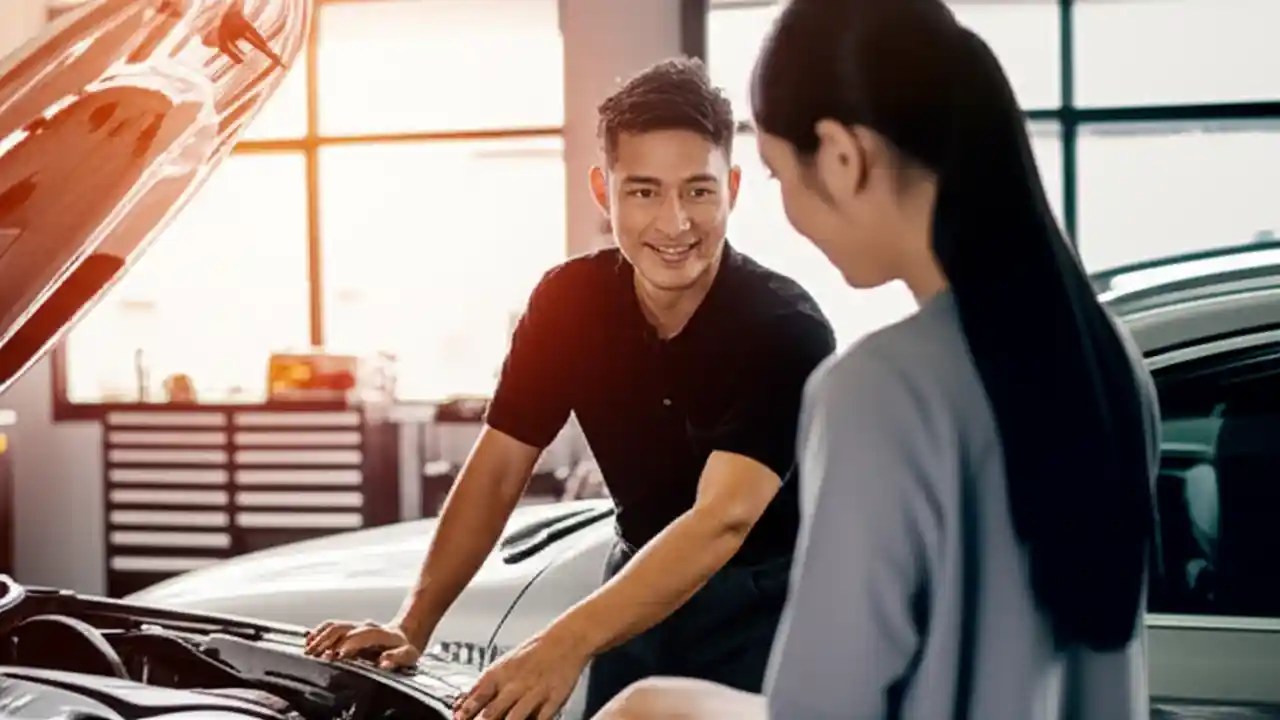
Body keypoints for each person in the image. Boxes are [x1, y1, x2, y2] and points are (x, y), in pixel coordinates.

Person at [594, 1, 1161, 719]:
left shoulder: (877, 392)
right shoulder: (1108, 360)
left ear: (840, 155)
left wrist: (655, 707)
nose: (789, 213)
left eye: (775, 175)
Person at [302, 57, 835, 720]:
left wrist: (564, 643)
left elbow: (719, 520)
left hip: (768, 608)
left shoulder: (785, 328)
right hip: (632, 595)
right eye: (643, 192)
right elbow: (498, 469)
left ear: (730, 186)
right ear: (602, 191)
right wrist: (414, 622)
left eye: (698, 191)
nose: (675, 224)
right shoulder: (568, 303)